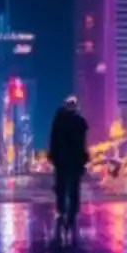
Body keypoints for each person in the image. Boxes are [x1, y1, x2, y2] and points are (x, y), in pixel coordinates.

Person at [47, 95, 89, 237]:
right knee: (69, 188)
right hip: (70, 160)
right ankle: (68, 213)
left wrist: (53, 155)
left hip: (66, 160)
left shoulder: (62, 121)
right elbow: (81, 144)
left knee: (65, 187)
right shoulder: (76, 121)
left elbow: (81, 143)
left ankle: (65, 212)